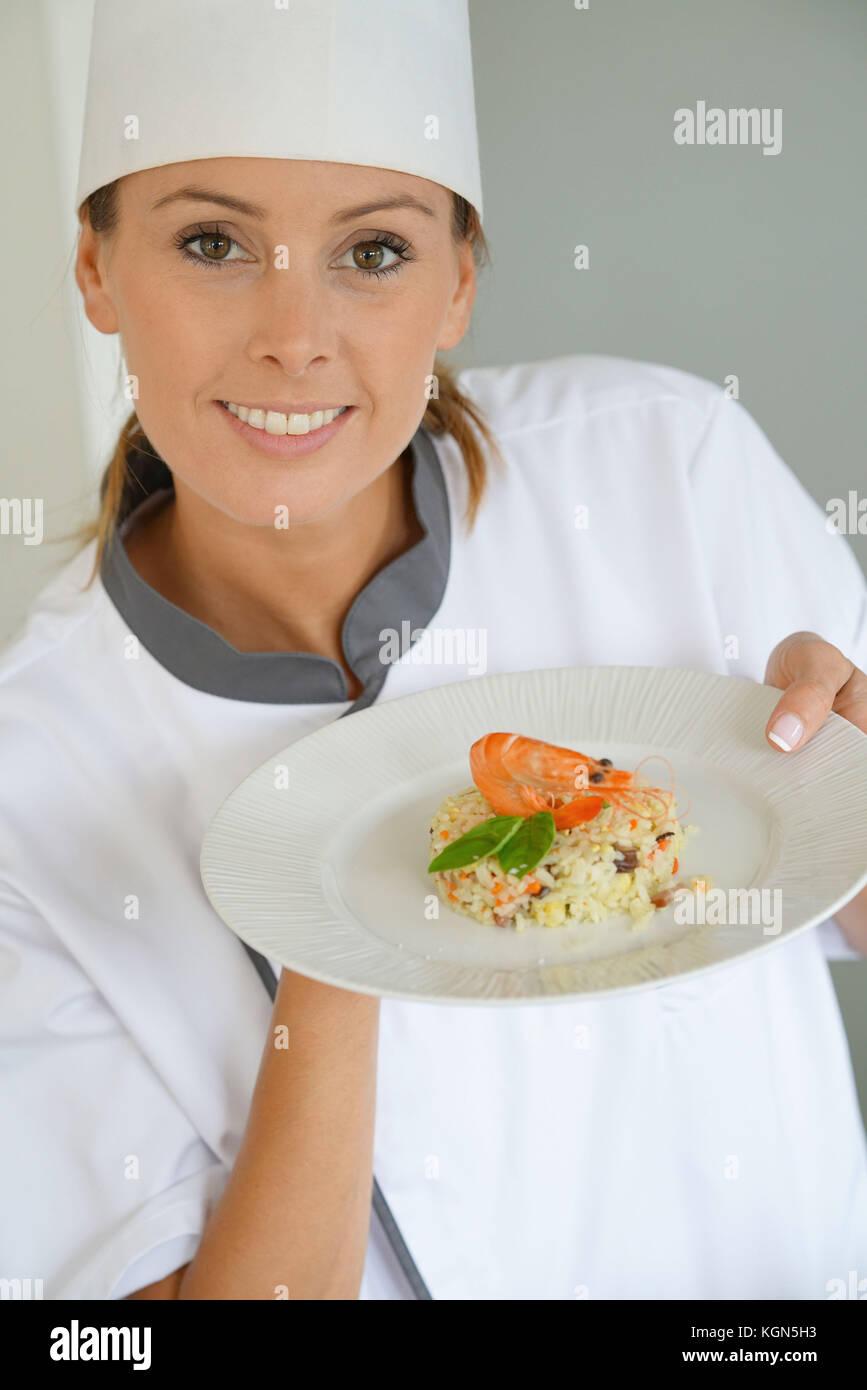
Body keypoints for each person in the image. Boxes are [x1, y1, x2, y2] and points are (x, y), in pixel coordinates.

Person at [1, 0, 866, 1301]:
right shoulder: (32, 770)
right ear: (94, 267)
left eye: (373, 251)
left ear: (459, 280)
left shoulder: (666, 468)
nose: (293, 336)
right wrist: (336, 943)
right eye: (214, 240)